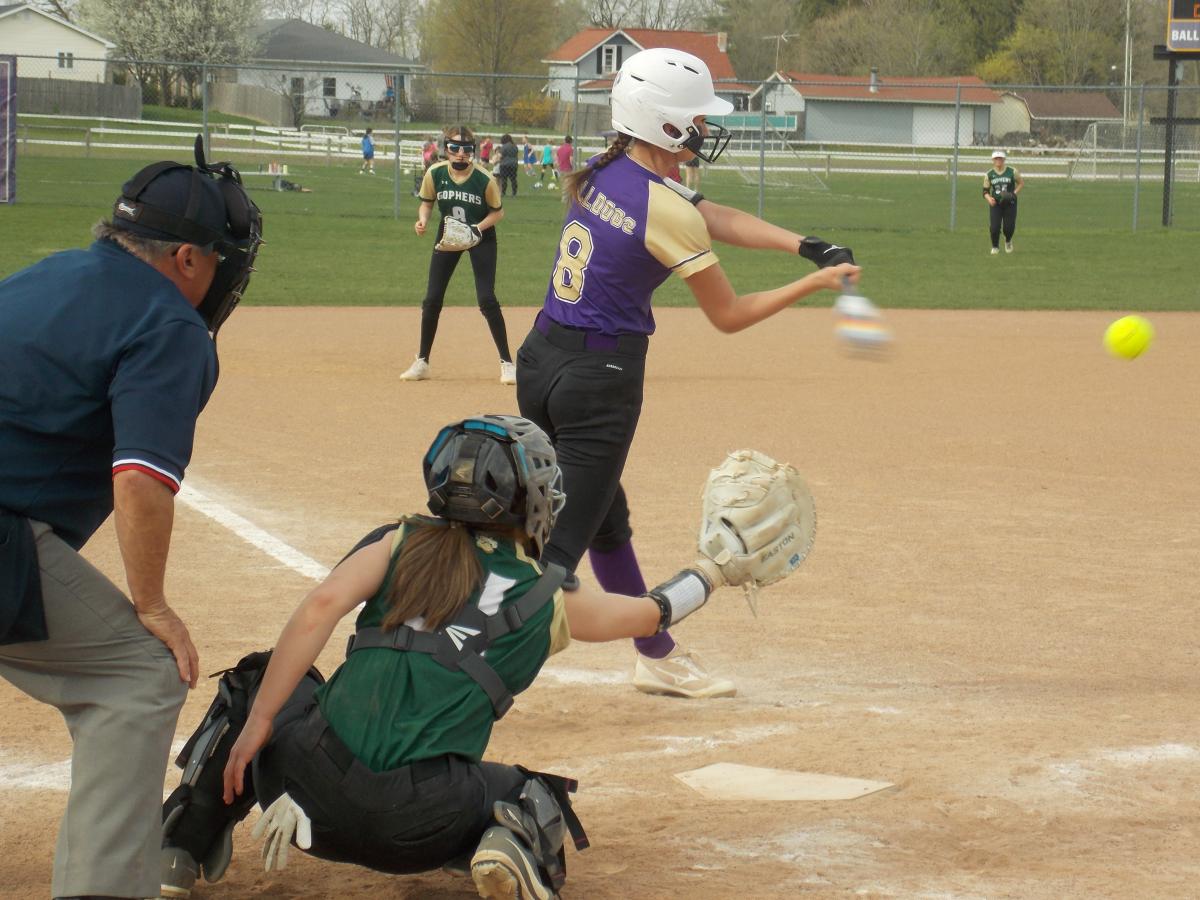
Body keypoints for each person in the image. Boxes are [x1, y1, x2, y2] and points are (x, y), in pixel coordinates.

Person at [156, 415, 736, 900]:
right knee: (528, 794)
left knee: (257, 685)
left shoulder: (399, 540)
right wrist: (712, 574)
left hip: (305, 786)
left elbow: (319, 608)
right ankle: (505, 846)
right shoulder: (546, 593)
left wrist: (260, 723)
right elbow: (648, 614)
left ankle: (178, 848)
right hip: (422, 822)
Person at [515, 47, 858, 699]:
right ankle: (467, 668)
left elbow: (709, 217)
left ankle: (656, 654)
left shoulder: (603, 169)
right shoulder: (661, 205)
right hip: (599, 384)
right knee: (554, 562)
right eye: (695, 116)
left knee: (604, 516)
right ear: (664, 122)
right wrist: (812, 282)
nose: (703, 126)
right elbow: (727, 315)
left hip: (542, 362)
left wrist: (804, 243)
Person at [0, 138, 262, 900]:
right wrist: (150, 604)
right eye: (219, 257)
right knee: (138, 674)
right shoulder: (170, 325)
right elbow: (141, 479)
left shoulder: (48, 272)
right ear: (186, 257)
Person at [401, 125, 516, 385]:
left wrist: (476, 229)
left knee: (487, 299)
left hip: (480, 236)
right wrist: (422, 221)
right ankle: (422, 361)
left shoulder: (484, 178)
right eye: (454, 148)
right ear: (446, 150)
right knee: (432, 299)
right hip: (449, 234)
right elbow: (427, 203)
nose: (460, 154)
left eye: (466, 149)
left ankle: (508, 364)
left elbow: (498, 213)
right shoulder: (436, 173)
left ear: (473, 152)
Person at [983, 148, 1023, 254]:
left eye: (1000, 158)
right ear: (993, 160)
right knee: (994, 227)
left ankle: (1008, 241)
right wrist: (989, 199)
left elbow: (1021, 183)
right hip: (996, 203)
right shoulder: (989, 174)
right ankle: (995, 247)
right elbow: (985, 191)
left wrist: (1014, 193)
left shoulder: (1012, 171)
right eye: (996, 158)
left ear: (1004, 159)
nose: (998, 161)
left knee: (1008, 227)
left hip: (1010, 202)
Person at [496, 132, 520, 198]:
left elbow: (500, 156)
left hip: (504, 165)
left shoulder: (503, 147)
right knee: (513, 179)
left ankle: (503, 193)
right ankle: (514, 193)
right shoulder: (515, 146)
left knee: (504, 179)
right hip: (513, 165)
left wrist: (496, 159)